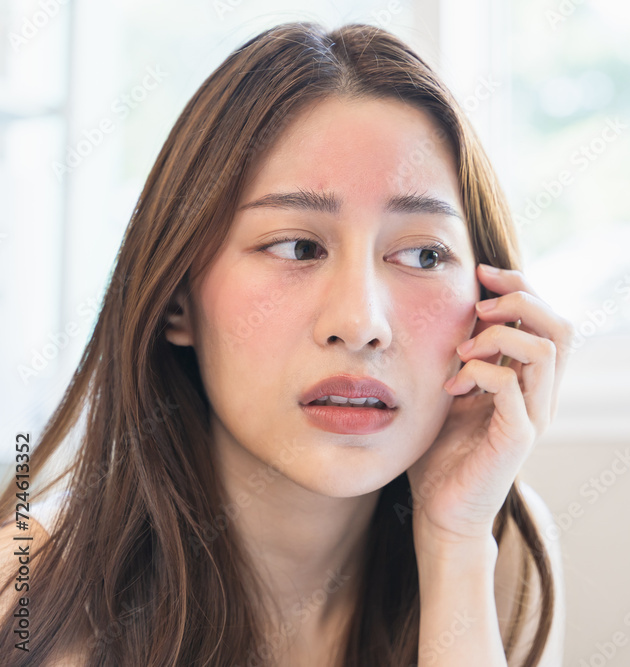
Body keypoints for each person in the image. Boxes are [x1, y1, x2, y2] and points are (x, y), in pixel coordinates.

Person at [0, 21, 569, 666]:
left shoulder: (497, 555)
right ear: (176, 300)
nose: (360, 323)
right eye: (297, 247)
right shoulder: (25, 591)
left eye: (421, 254)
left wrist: (454, 545)